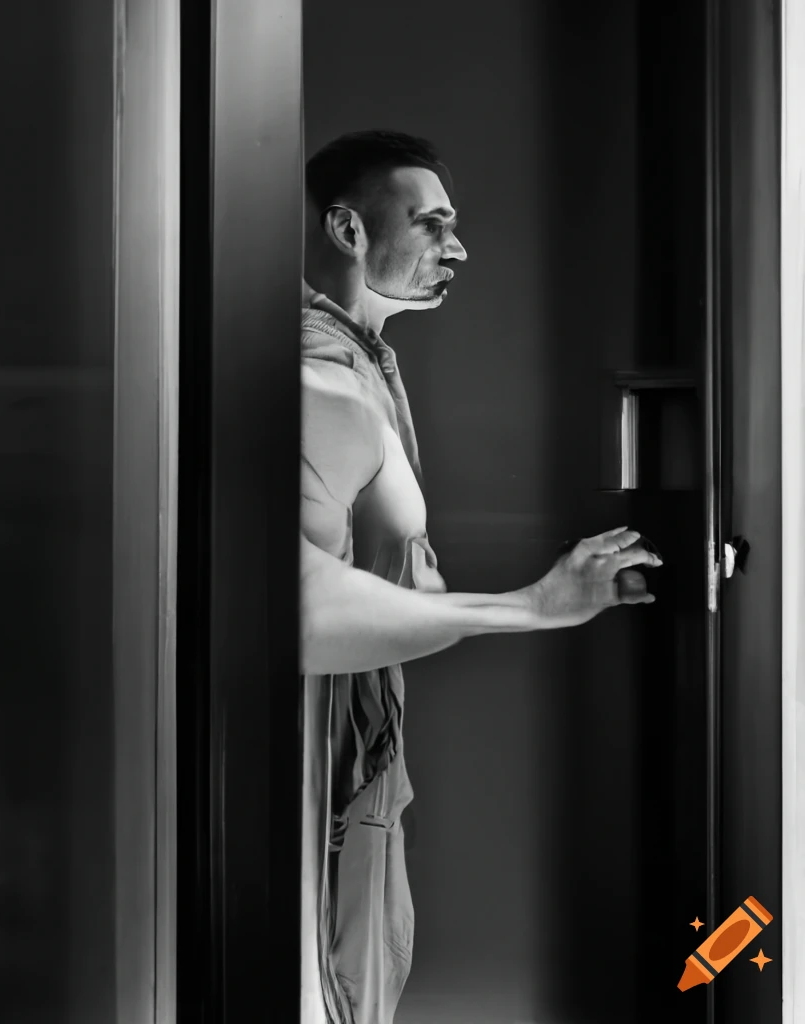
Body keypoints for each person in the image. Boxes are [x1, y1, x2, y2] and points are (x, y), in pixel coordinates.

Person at [297, 131, 662, 1024]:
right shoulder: (322, 386)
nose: (456, 248)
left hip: (352, 782)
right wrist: (534, 607)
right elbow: (295, 613)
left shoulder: (364, 365)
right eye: (431, 223)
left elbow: (395, 592)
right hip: (308, 793)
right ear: (347, 228)